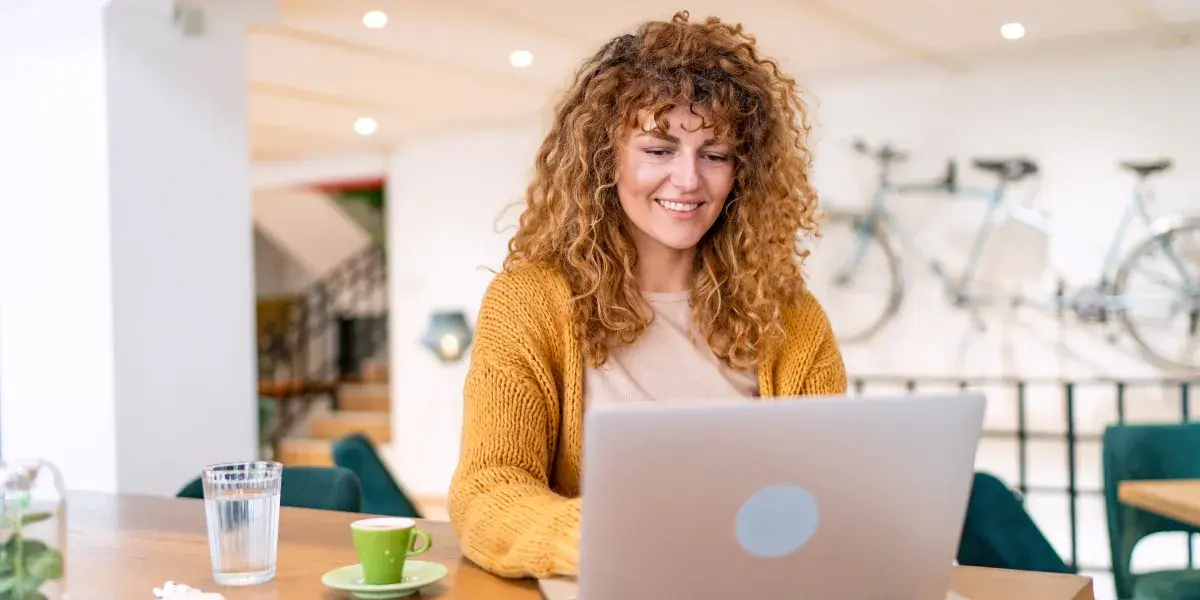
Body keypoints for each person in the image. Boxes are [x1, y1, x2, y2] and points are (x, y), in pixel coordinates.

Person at [448, 11, 846, 579]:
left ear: (743, 171)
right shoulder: (529, 302)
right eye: (659, 150)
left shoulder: (791, 317)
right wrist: (598, 540)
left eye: (714, 154)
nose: (688, 180)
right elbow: (488, 488)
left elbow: (828, 488)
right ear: (604, 160)